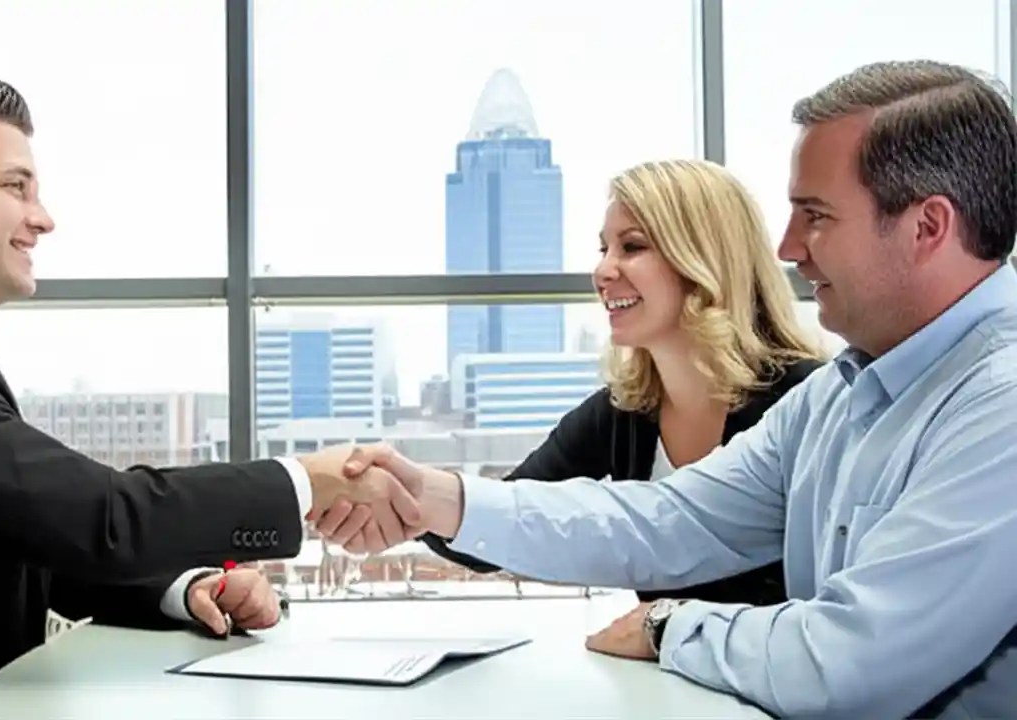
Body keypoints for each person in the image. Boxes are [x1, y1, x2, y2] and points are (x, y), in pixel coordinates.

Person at [325, 60, 1017, 718]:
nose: (787, 247)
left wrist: (670, 624)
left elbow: (849, 665)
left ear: (928, 226)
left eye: (817, 215)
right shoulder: (839, 397)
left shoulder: (1000, 405)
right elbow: (666, 520)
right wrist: (433, 496)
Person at [0, 74, 419, 720]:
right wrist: (307, 480)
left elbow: (31, 540)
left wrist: (184, 590)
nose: (44, 219)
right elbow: (103, 516)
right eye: (15, 186)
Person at [414, 158, 826, 607]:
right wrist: (404, 500)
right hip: (665, 678)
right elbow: (501, 523)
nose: (603, 272)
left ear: (703, 259)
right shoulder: (622, 410)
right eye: (604, 250)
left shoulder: (810, 402)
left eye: (631, 247)